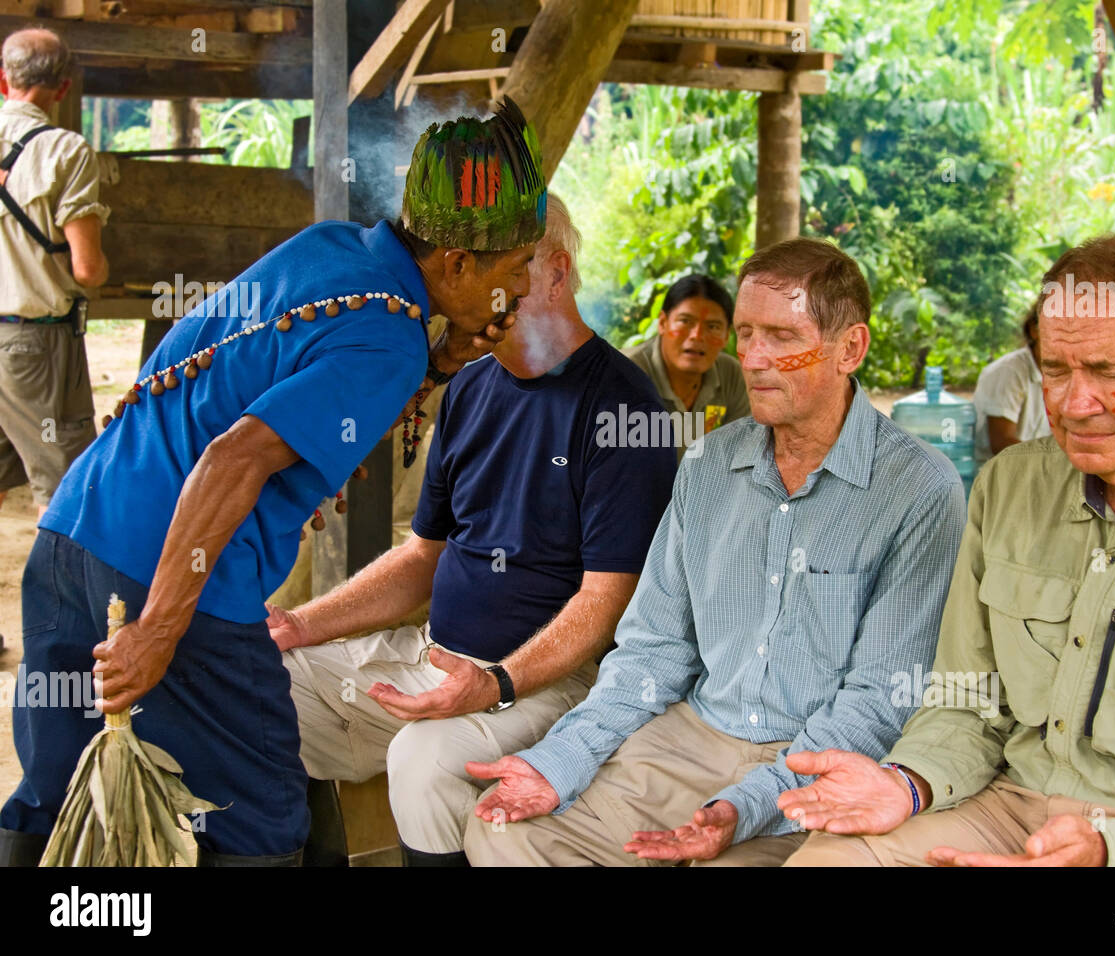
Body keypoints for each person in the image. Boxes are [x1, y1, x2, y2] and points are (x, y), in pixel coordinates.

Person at [0, 97, 547, 867]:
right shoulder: (388, 337)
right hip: (179, 577)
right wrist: (159, 630)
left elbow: (293, 396)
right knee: (260, 821)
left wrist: (437, 364)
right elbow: (232, 459)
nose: (523, 289)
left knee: (53, 794)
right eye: (517, 265)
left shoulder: (332, 251)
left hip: (75, 533)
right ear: (456, 264)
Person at [780, 236, 1115, 867]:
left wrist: (1113, 850)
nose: (1074, 405)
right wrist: (907, 783)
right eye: (1055, 370)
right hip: (1004, 803)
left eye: (1108, 372)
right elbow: (966, 700)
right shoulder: (1010, 487)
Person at [462, 238, 966, 867]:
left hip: (816, 762)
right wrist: (563, 758)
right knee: (507, 833)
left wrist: (745, 804)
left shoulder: (920, 489)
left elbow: (878, 700)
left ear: (851, 349)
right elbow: (653, 648)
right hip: (690, 735)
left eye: (781, 336)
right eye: (747, 333)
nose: (752, 358)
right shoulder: (706, 465)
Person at [271, 194, 675, 867]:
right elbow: (423, 556)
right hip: (432, 654)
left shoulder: (626, 408)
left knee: (425, 759)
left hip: (551, 682)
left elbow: (607, 604)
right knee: (261, 681)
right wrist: (302, 625)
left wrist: (497, 683)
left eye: (505, 272)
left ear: (553, 271)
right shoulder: (467, 387)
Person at [0, 29, 109, 525]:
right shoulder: (65, 151)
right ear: (63, 88)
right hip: (34, 347)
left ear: (4, 81)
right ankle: (60, 604)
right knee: (66, 487)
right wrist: (101, 270)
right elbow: (87, 270)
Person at [623, 274, 749, 461]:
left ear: (726, 336)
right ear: (663, 323)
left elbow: (739, 455)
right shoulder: (624, 374)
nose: (697, 336)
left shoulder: (732, 375)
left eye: (712, 326)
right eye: (685, 321)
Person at [972, 306, 1049, 467]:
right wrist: (1052, 466)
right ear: (1034, 330)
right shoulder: (1009, 371)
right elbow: (1001, 443)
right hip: (997, 477)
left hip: (1032, 472)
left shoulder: (1061, 374)